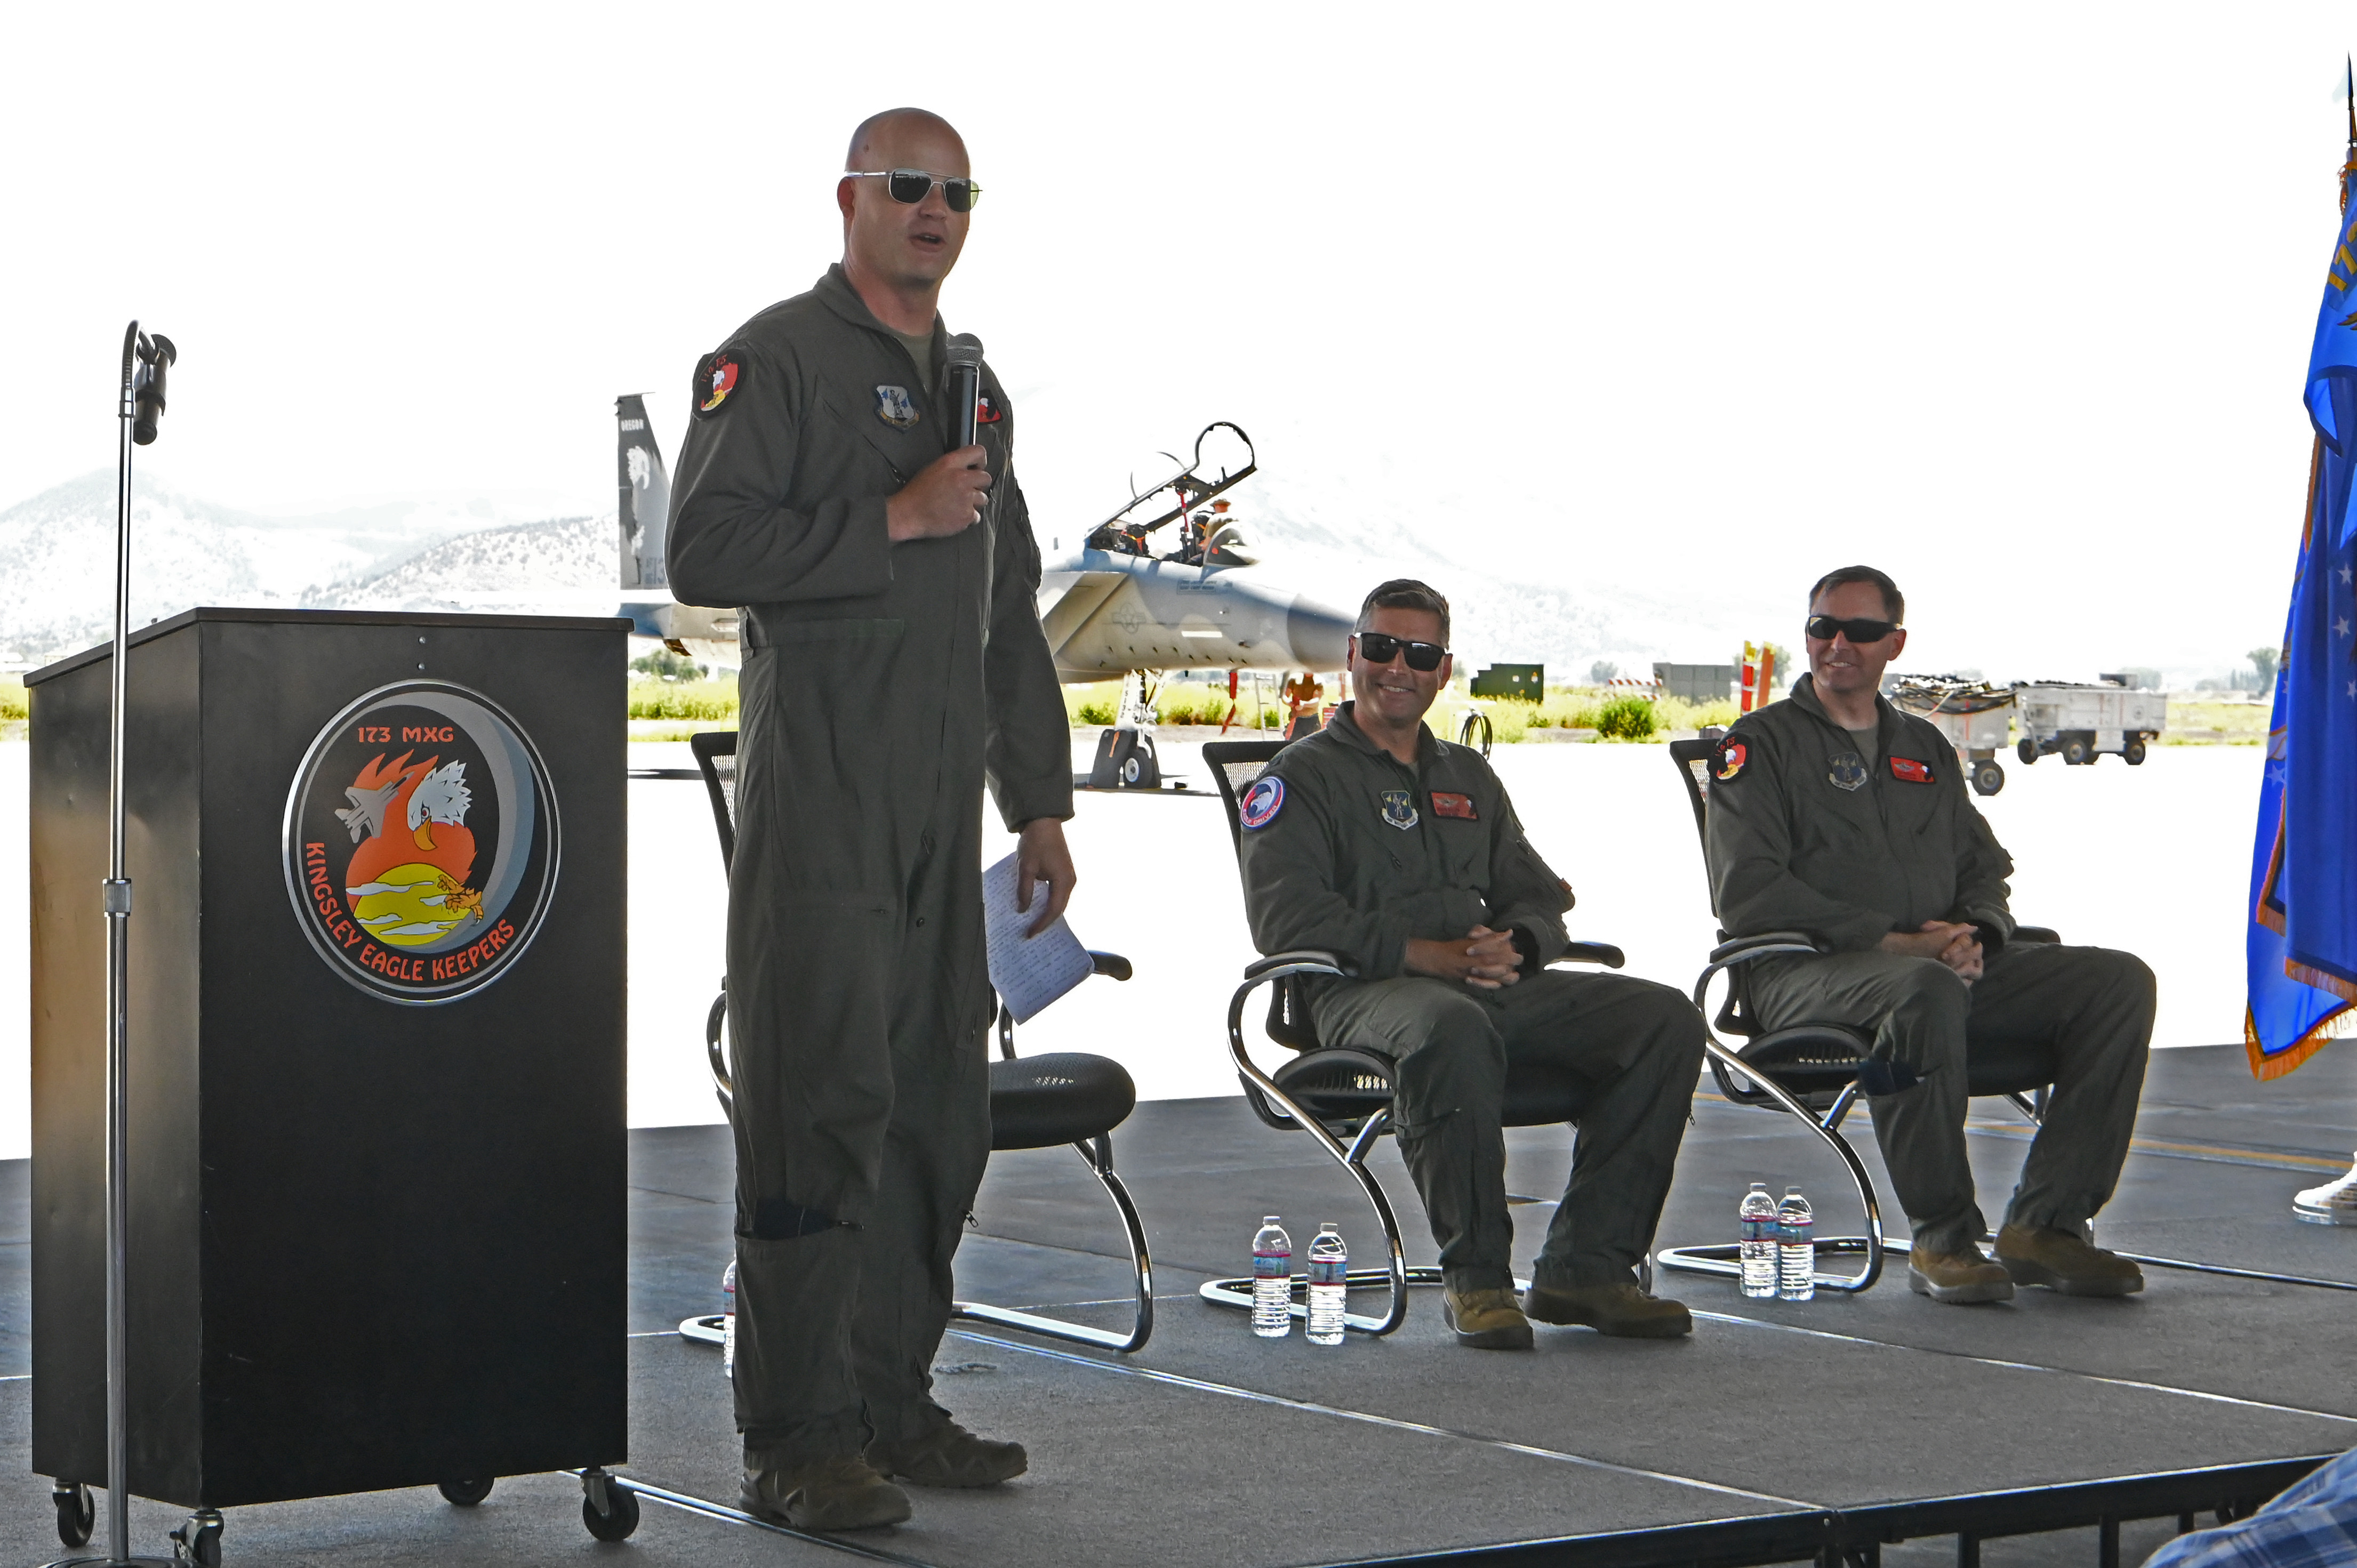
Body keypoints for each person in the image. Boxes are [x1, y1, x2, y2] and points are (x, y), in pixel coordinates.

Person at [666, 107, 1076, 1531]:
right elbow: (700, 552)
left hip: (932, 824)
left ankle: (890, 1403)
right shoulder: (772, 358)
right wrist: (888, 518)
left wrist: (1039, 803)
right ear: (849, 198)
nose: (934, 208)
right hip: (824, 807)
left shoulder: (973, 385)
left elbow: (1005, 611)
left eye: (956, 191)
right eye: (908, 185)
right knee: (816, 1113)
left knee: (931, 1118)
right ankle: (794, 1435)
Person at [1237, 579, 1706, 1349]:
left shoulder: (1469, 777)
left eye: (1419, 654)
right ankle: (1479, 1280)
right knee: (1447, 1024)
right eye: (1382, 647)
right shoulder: (1302, 776)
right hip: (1361, 994)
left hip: (1480, 988)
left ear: (1443, 671)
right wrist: (1430, 956)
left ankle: (1588, 1266)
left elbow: (1541, 897)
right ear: (1353, 654)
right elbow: (1285, 919)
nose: (1399, 668)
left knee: (1663, 1019)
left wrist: (1518, 944)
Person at [1705, 565, 2153, 1305]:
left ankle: (2047, 1225)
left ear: (1895, 644)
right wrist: (1893, 942)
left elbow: (1985, 864)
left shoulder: (1925, 747)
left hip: (1934, 973)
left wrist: (1977, 931)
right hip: (1800, 974)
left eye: (1860, 631)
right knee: (1922, 988)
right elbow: (1750, 891)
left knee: (2118, 981)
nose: (1838, 644)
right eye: (1823, 628)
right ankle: (1944, 1238)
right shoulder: (1762, 746)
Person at [1282, 670, 1325, 739]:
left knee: (1314, 744)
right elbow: (1284, 696)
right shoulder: (1294, 679)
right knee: (1292, 744)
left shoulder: (1318, 681)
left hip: (1312, 720)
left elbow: (1316, 700)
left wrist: (1304, 704)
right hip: (1296, 718)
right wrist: (1290, 703)